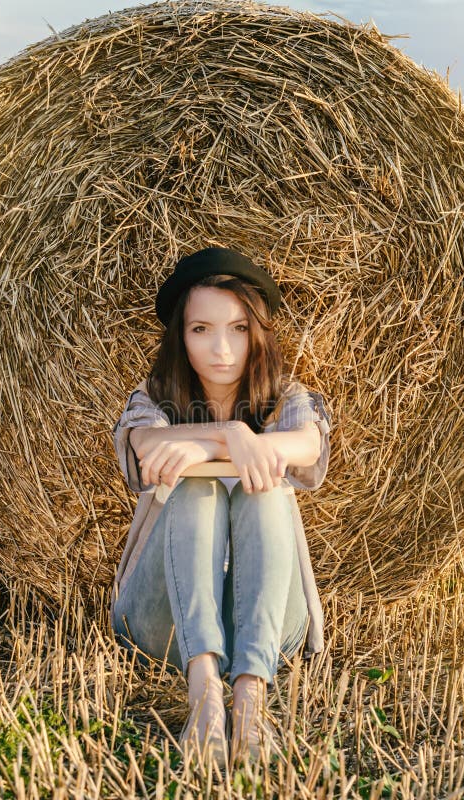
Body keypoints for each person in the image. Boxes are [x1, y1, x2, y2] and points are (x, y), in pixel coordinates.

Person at [110, 246, 332, 771]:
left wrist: (207, 446)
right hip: (159, 620)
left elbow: (307, 447)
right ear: (180, 336)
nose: (222, 349)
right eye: (201, 330)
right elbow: (145, 445)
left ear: (258, 332)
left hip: (272, 623)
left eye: (236, 328)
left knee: (268, 486)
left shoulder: (287, 398)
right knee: (195, 487)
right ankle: (204, 690)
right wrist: (232, 433)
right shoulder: (154, 397)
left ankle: (250, 697)